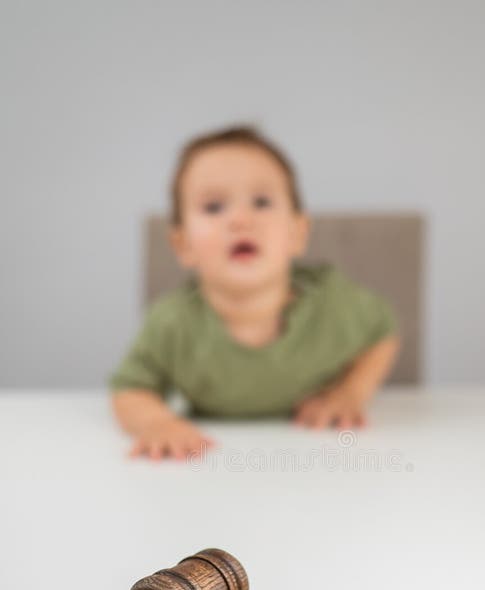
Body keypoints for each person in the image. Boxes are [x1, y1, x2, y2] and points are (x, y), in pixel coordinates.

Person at [108, 124, 401, 460]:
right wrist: (157, 423)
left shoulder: (332, 303)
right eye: (214, 207)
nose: (241, 219)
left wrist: (351, 392)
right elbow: (130, 388)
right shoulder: (172, 323)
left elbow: (383, 331)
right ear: (183, 244)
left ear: (297, 233)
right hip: (214, 461)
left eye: (261, 202)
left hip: (317, 454)